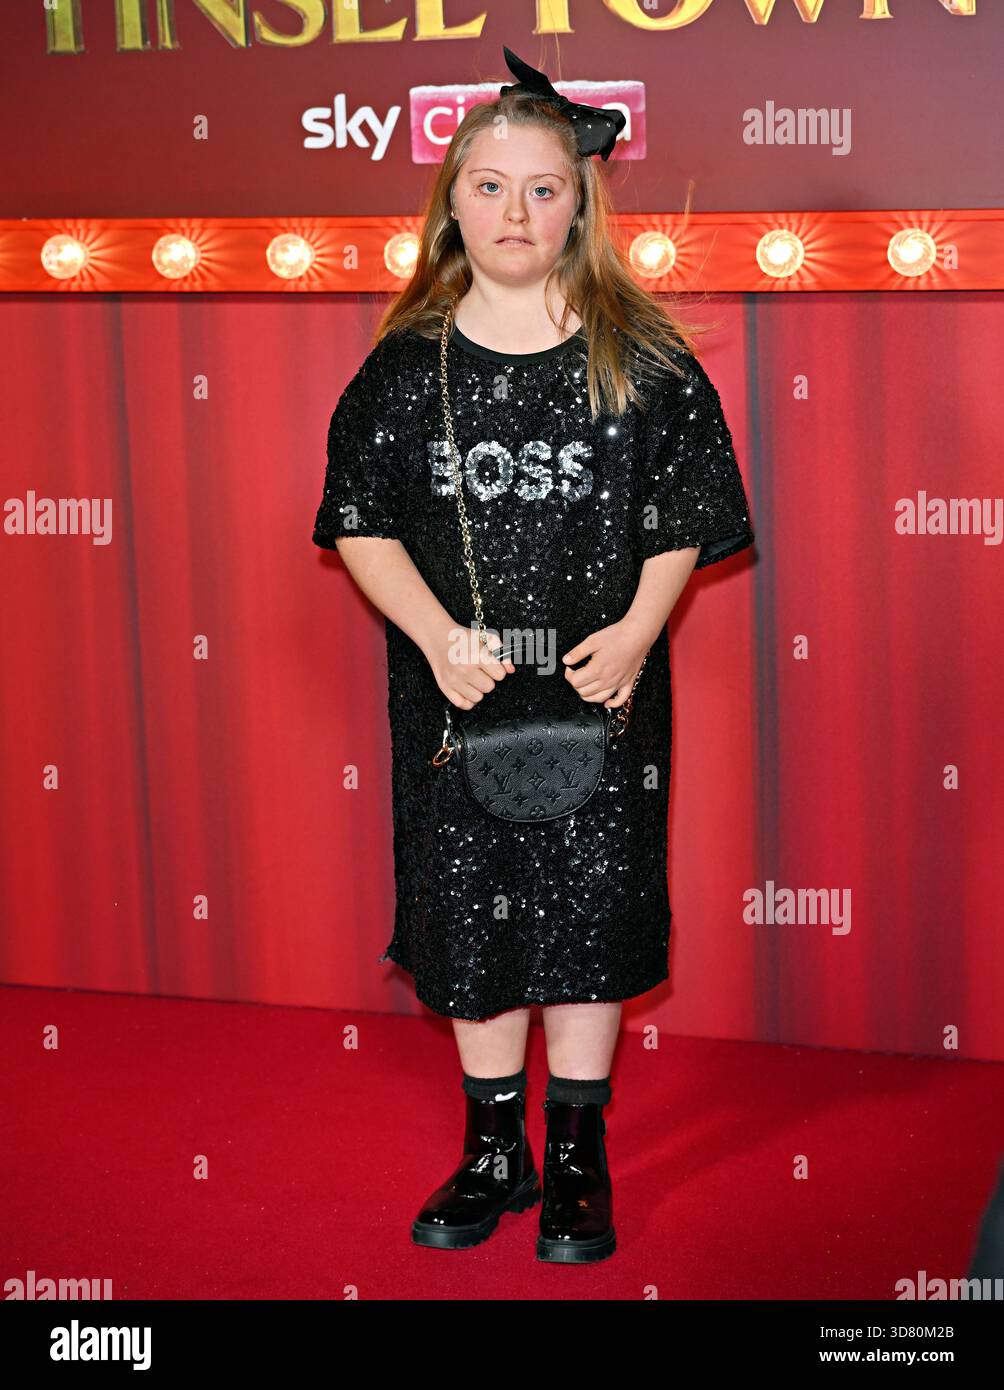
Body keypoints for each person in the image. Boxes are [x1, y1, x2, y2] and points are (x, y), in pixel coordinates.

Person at [311, 47, 756, 1264]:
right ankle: (491, 1149)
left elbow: (685, 515)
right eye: (491, 186)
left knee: (589, 917)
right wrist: (434, 638)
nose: (517, 211)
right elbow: (360, 520)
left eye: (544, 187)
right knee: (473, 920)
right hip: (456, 690)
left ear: (581, 202)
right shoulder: (408, 364)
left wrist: (641, 625)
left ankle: (574, 1154)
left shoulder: (642, 356)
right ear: (451, 202)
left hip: (600, 689)